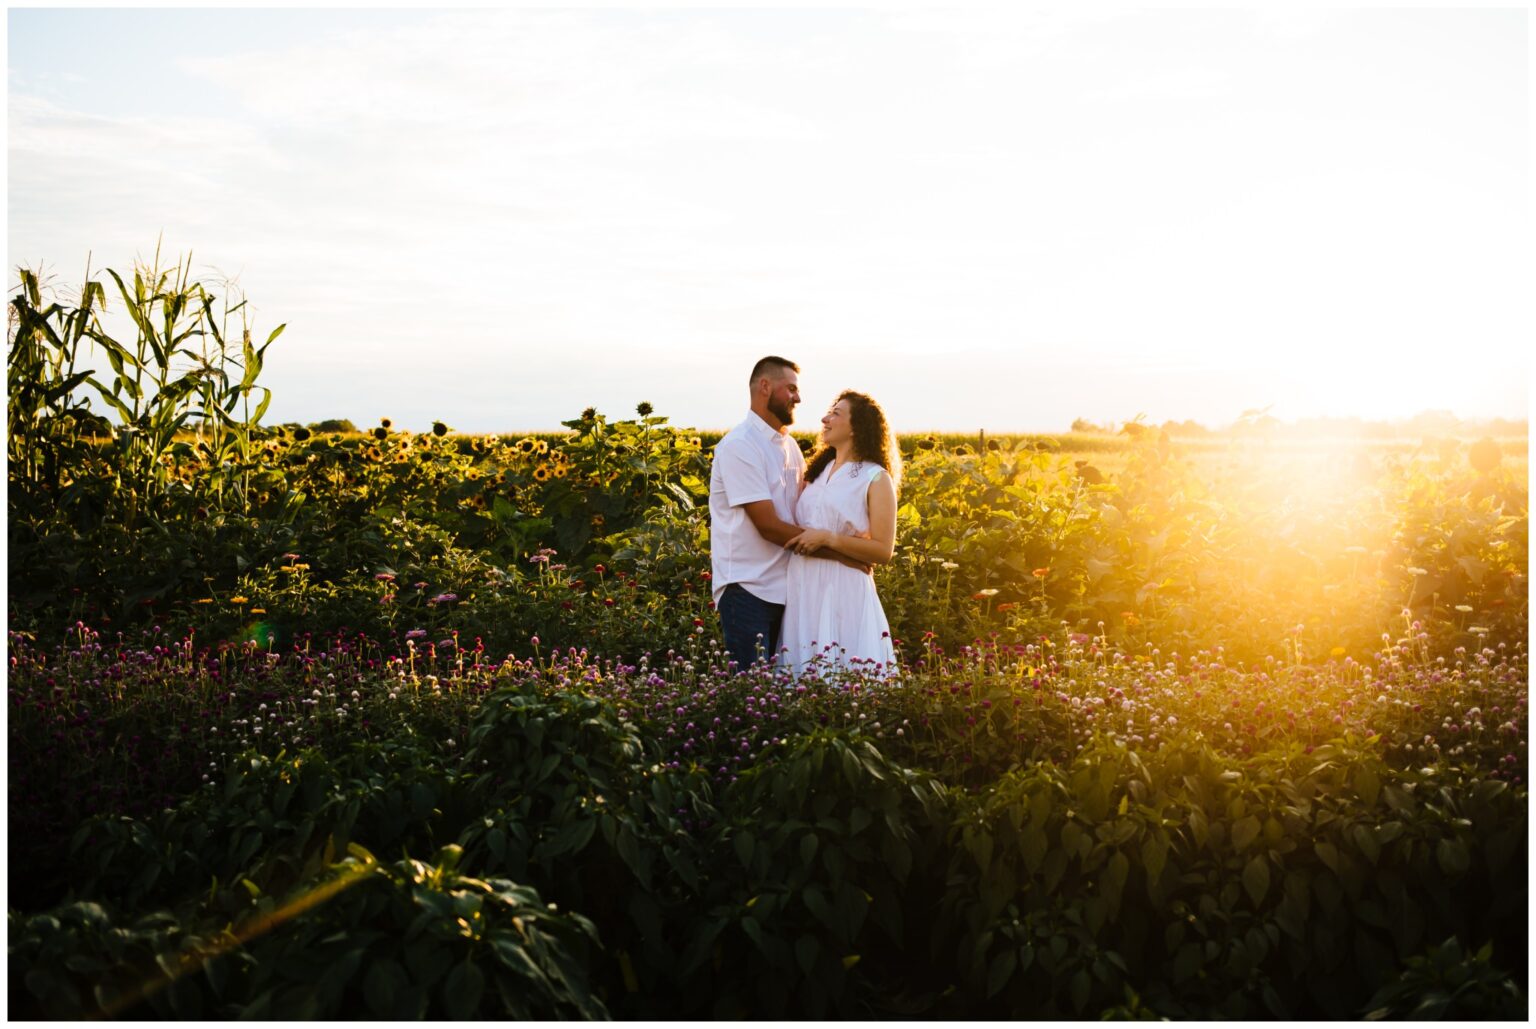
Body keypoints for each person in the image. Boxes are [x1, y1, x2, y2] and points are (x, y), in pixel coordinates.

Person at [709, 357, 867, 673]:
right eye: (791, 389)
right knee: (752, 692)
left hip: (789, 588)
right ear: (765, 387)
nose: (798, 398)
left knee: (788, 688)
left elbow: (805, 513)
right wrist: (842, 555)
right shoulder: (740, 446)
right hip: (747, 588)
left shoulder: (790, 447)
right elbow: (768, 526)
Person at [780, 390, 900, 676]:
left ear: (857, 427)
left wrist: (828, 538)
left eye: (835, 413)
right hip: (802, 585)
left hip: (844, 588)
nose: (825, 418)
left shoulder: (875, 477)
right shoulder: (815, 473)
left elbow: (883, 550)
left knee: (845, 674)